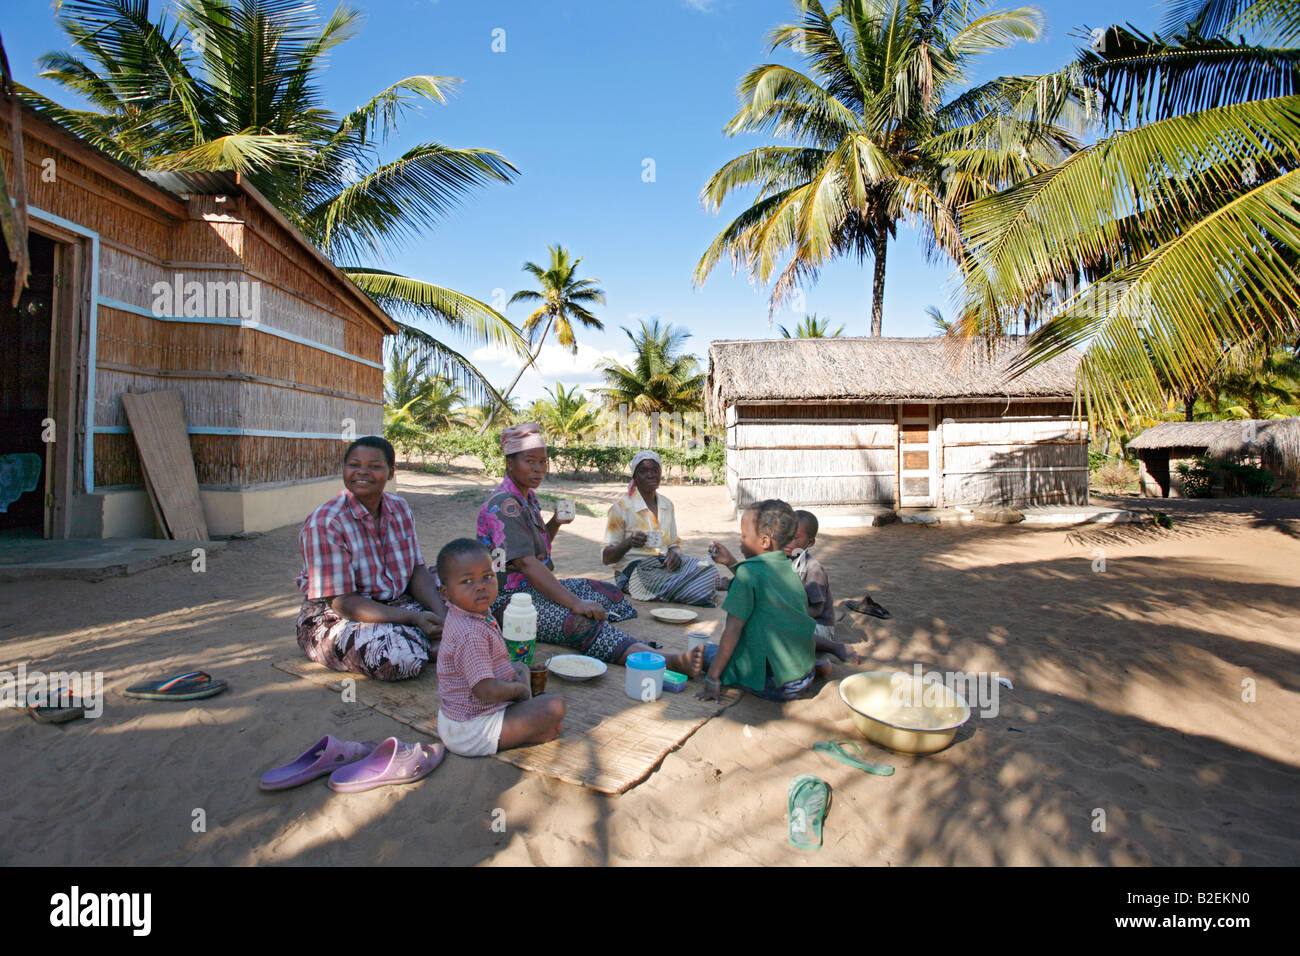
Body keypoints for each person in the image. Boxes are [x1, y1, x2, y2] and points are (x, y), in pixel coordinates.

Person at [476, 423, 702, 675]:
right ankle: (662, 659)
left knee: (607, 592)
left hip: (531, 588)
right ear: (510, 463)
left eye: (543, 462)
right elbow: (526, 565)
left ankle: (603, 629)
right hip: (508, 601)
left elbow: (537, 552)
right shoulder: (505, 504)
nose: (539, 469)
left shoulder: (526, 497)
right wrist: (575, 604)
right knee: (580, 621)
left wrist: (555, 523)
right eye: (530, 461)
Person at [296, 436, 444, 680]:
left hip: (396, 602)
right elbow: (343, 603)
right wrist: (415, 618)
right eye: (354, 465)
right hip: (337, 617)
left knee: (467, 587)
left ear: (390, 472)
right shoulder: (325, 523)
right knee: (397, 659)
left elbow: (416, 570)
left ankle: (425, 638)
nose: (362, 473)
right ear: (344, 470)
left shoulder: (399, 508)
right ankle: (424, 642)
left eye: (374, 466)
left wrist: (442, 616)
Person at [435, 539, 566, 756]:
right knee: (554, 706)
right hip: (471, 731)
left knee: (520, 667)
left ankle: (524, 720)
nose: (480, 586)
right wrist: (520, 691)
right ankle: (525, 730)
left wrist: (516, 681)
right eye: (467, 581)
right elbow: (486, 690)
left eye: (487, 577)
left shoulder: (470, 612)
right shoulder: (470, 634)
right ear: (446, 593)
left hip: (459, 718)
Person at [696, 499, 831, 703]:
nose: (740, 541)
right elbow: (759, 582)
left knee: (702, 653)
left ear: (765, 541)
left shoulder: (748, 574)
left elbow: (732, 630)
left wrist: (713, 678)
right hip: (801, 677)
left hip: (775, 684)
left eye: (743, 536)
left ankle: (658, 658)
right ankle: (816, 666)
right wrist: (732, 563)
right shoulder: (788, 568)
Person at [602, 450, 718, 606]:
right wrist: (629, 542)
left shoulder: (666, 505)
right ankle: (698, 587)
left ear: (660, 474)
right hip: (634, 572)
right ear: (635, 478)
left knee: (708, 568)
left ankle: (688, 585)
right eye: (643, 471)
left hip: (662, 566)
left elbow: (673, 545)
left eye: (655, 470)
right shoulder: (621, 508)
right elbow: (607, 558)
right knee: (689, 584)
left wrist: (674, 555)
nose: (650, 475)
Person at [786, 510, 860, 663]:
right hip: (799, 619)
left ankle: (835, 648)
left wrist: (788, 616)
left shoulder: (813, 569)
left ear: (810, 542)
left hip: (819, 627)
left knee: (782, 630)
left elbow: (817, 609)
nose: (787, 542)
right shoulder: (788, 561)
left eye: (794, 538)